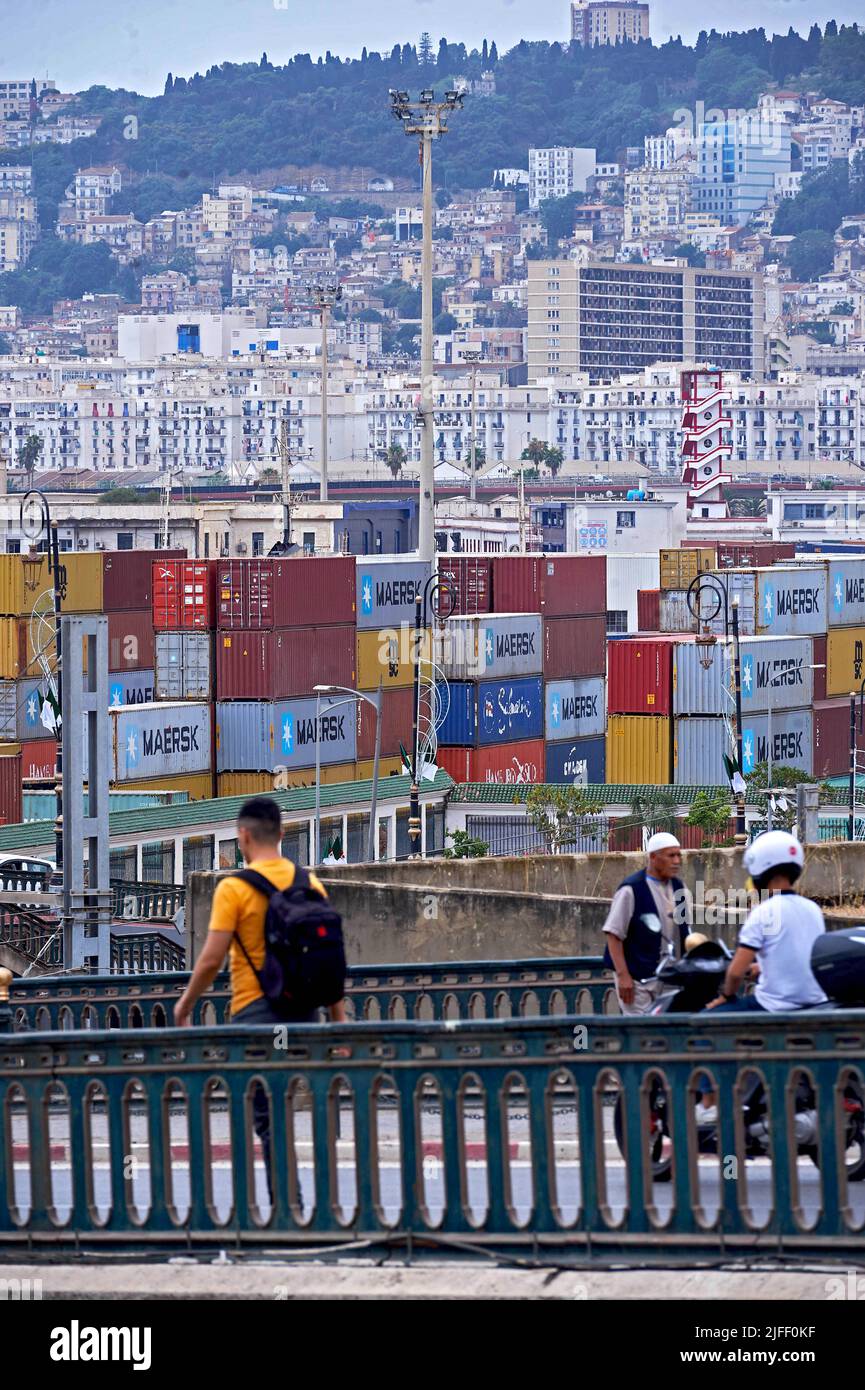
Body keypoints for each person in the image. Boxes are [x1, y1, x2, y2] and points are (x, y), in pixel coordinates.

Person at [173, 796, 345, 1195]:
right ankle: (319, 1207)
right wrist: (339, 1023)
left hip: (256, 1016)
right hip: (307, 1015)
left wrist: (185, 1004)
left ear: (243, 837)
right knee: (300, 1105)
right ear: (282, 834)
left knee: (267, 1116)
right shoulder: (310, 883)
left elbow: (212, 959)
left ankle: (289, 1207)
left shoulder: (233, 888)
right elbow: (330, 958)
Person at [705, 829, 827, 1013]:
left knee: (704, 1019)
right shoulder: (813, 909)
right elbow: (797, 957)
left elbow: (736, 972)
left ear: (760, 869)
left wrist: (726, 996)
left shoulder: (763, 912)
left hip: (775, 1007)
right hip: (815, 1003)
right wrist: (762, 967)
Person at [602, 832, 691, 1015]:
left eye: (678, 855)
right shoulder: (631, 889)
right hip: (637, 981)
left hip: (669, 978)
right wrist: (623, 976)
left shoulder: (678, 888)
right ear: (653, 857)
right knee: (641, 1035)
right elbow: (614, 934)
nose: (676, 861)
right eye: (670, 856)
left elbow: (685, 930)